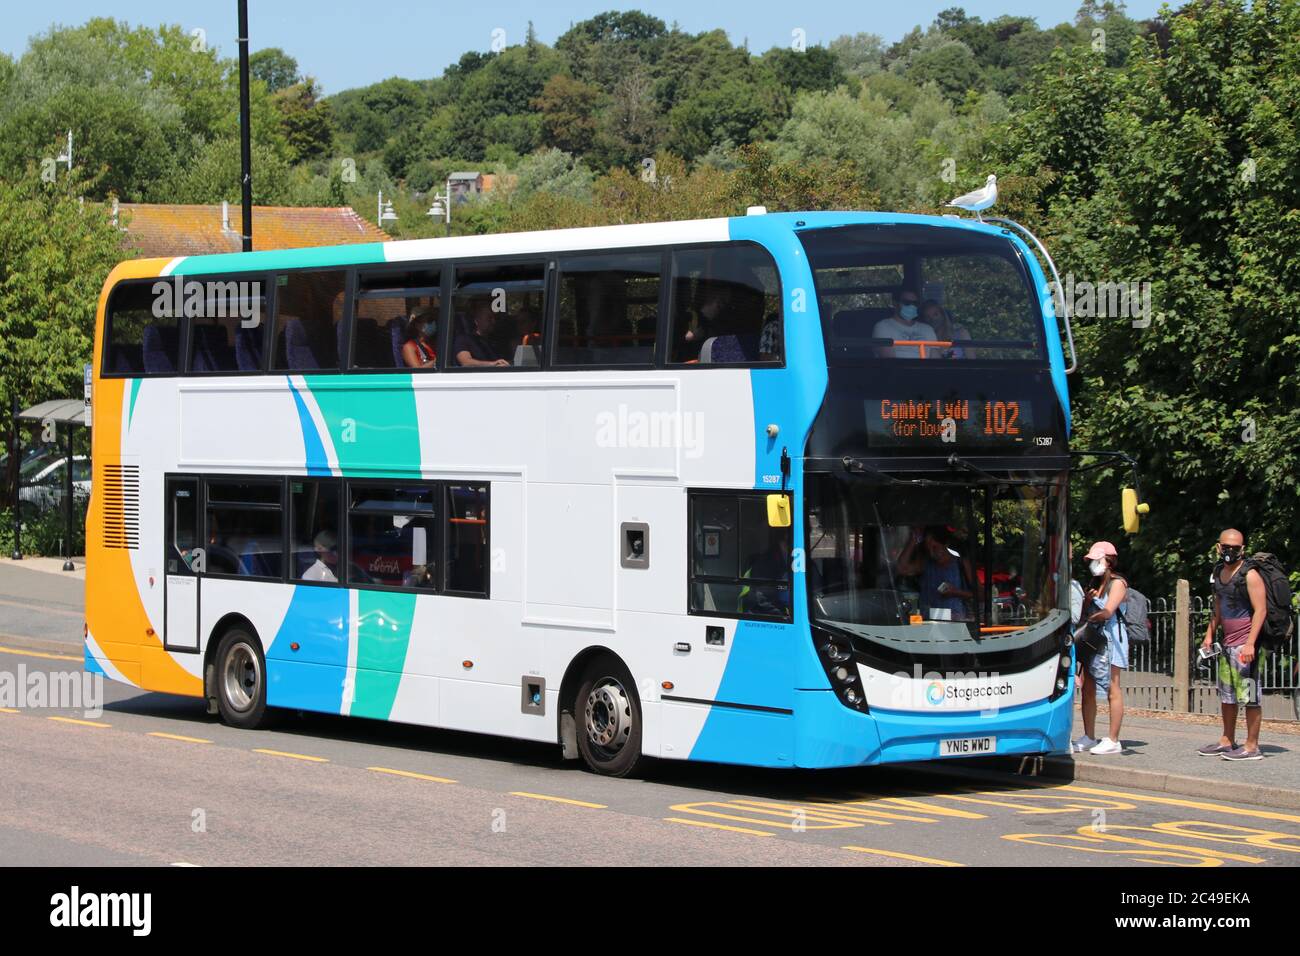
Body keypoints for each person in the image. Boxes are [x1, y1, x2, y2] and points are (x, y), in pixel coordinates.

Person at [1198, 529, 1268, 760]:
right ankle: (1227, 740)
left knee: (1249, 696)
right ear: (1218, 547)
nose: (1230, 551)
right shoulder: (1218, 572)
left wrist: (1250, 644)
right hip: (1227, 645)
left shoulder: (1249, 574)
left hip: (1245, 647)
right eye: (1226, 547)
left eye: (1235, 548)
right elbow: (1218, 608)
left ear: (1243, 549)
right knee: (1227, 694)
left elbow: (1260, 611)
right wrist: (1209, 635)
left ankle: (1251, 746)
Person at [1074, 541, 1128, 755]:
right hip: (1093, 638)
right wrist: (1087, 603)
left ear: (1109, 561)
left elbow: (1108, 612)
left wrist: (1089, 618)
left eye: (1098, 559)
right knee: (1088, 686)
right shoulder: (1095, 583)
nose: (1094, 564)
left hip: (1110, 639)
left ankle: (1113, 740)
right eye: (1092, 560)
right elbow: (1087, 612)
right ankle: (1089, 736)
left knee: (1112, 687)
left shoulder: (1118, 583)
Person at [898, 525, 975, 621]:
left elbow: (980, 595)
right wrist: (913, 539)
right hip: (927, 624)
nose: (932, 552)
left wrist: (956, 592)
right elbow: (902, 568)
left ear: (945, 544)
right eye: (928, 548)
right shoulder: (925, 564)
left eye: (935, 547)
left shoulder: (961, 564)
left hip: (955, 625)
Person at [872, 290, 937, 358]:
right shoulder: (883, 327)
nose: (911, 306)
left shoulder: (927, 329)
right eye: (907, 303)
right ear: (895, 303)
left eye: (915, 303)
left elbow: (936, 361)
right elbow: (889, 361)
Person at [453, 299, 510, 368]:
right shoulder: (463, 339)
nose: (493, 321)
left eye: (494, 318)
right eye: (489, 318)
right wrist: (493, 364)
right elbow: (466, 362)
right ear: (477, 320)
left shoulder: (495, 341)